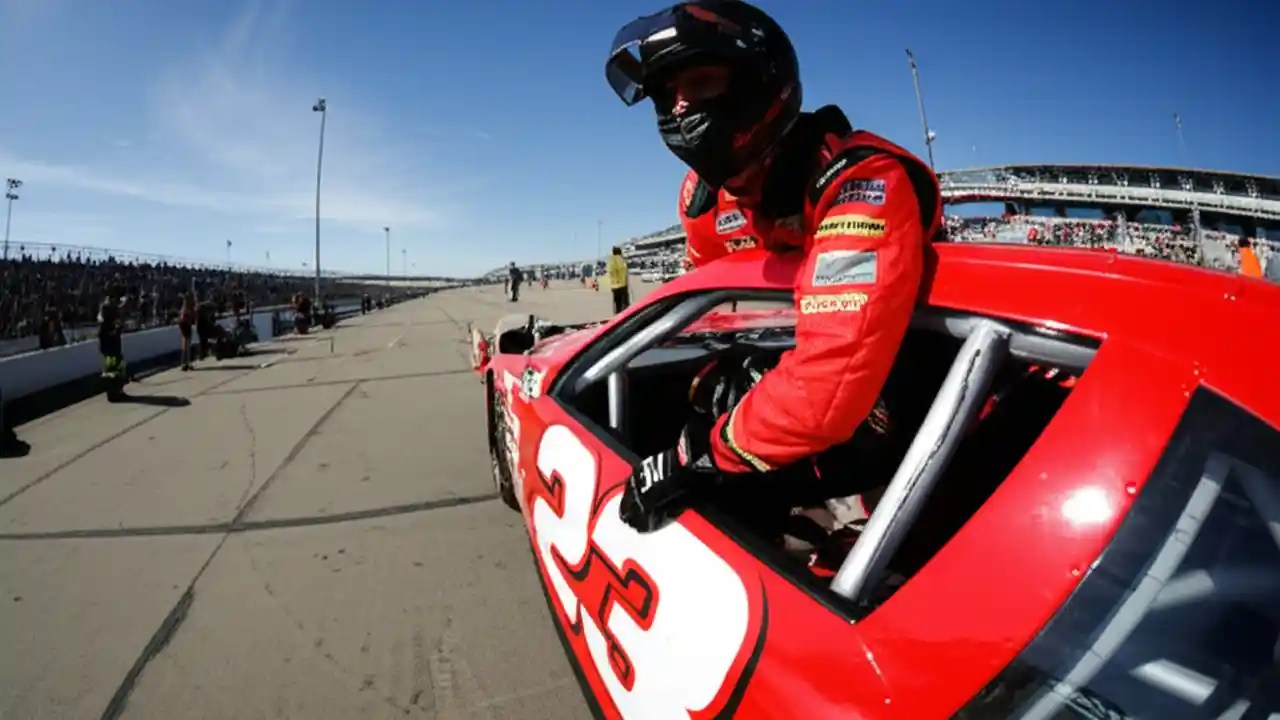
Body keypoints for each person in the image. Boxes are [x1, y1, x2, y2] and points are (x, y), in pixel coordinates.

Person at [604, 0, 943, 532]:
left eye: (701, 81)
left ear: (761, 82)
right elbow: (707, 320)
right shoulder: (702, 201)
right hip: (803, 379)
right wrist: (711, 386)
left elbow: (830, 387)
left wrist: (696, 457)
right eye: (668, 96)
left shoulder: (858, 181)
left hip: (917, 397)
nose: (680, 108)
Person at [606, 246, 631, 313]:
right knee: (625, 303)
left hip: (615, 286)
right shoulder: (621, 260)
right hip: (622, 285)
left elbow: (610, 274)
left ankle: (618, 316)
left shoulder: (610, 261)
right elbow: (624, 272)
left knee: (617, 303)